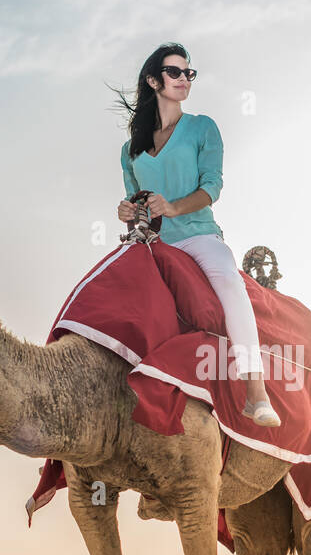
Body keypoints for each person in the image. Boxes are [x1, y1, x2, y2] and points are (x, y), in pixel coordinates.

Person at [110, 43, 281, 428]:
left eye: (189, 73)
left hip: (198, 236)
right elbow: (135, 202)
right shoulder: (129, 150)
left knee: (228, 280)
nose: (184, 79)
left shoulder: (203, 128)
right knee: (110, 290)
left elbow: (212, 188)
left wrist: (172, 207)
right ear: (154, 81)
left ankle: (256, 393)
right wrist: (127, 211)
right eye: (175, 72)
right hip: (151, 244)